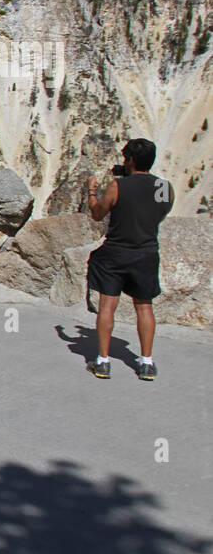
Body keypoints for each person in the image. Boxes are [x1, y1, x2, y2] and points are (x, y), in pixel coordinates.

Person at [84, 138, 173, 381]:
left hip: (116, 252)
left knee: (107, 306)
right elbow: (162, 212)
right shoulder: (164, 187)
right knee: (144, 307)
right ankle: (146, 362)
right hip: (146, 253)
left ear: (131, 160)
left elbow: (97, 213)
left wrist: (92, 190)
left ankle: (102, 361)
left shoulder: (117, 186)